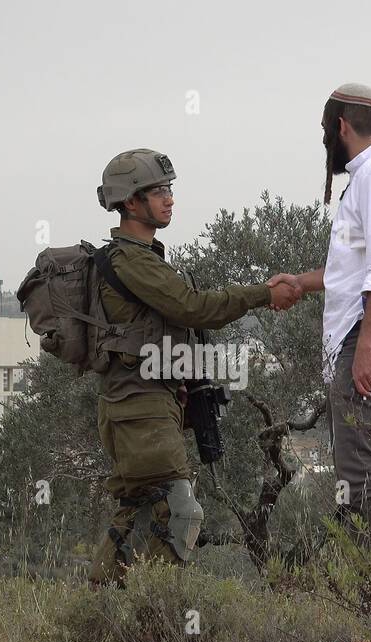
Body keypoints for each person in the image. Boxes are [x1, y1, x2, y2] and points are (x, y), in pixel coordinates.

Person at [88, 149, 301, 585]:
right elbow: (194, 309)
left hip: (143, 405)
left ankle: (104, 612)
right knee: (183, 511)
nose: (169, 199)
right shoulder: (131, 261)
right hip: (138, 407)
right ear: (131, 201)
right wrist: (262, 292)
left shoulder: (143, 258)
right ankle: (152, 612)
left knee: (138, 511)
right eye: (158, 191)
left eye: (170, 190)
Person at [269, 83, 371, 564]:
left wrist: (365, 349)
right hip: (369, 335)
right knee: (356, 473)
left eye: (325, 131)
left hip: (370, 338)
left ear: (339, 126)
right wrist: (300, 282)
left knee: (359, 475)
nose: (325, 142)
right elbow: (354, 270)